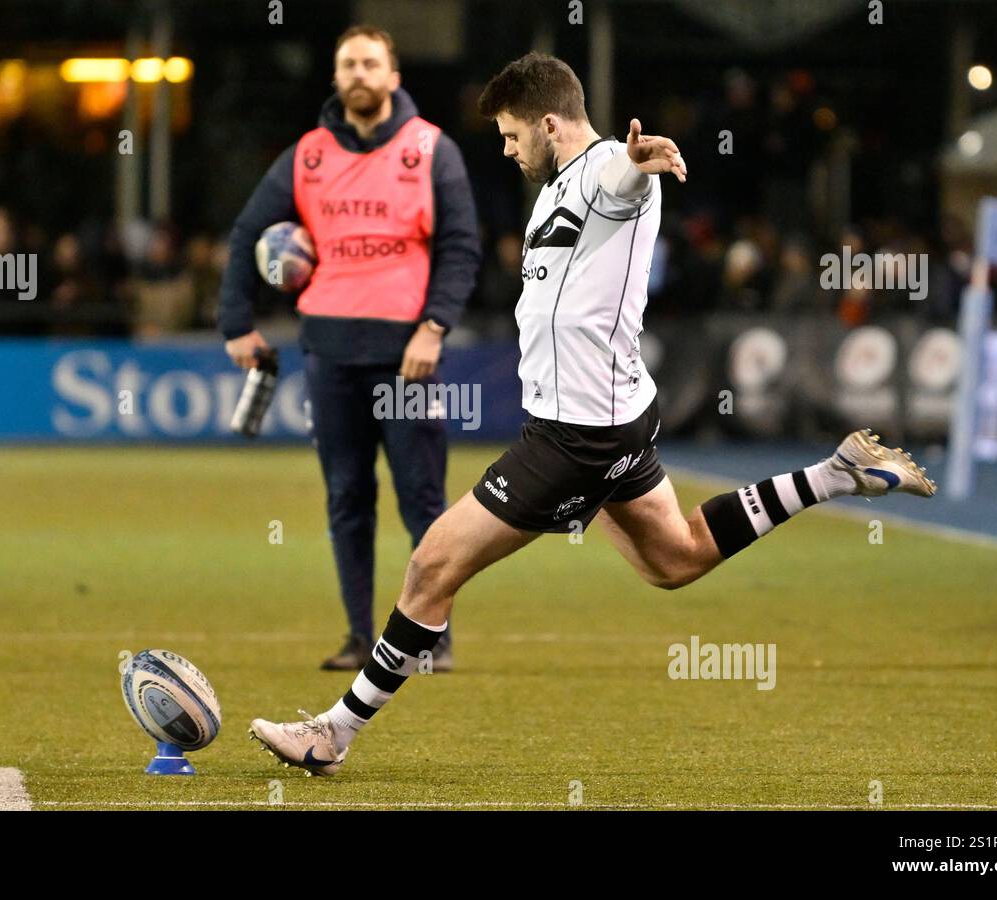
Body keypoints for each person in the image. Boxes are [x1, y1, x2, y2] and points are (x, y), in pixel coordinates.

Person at [247, 52, 935, 775]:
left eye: (513, 135)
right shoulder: (552, 191)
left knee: (431, 565)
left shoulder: (605, 169)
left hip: (579, 436)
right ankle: (835, 473)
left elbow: (622, 180)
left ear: (550, 122)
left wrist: (639, 161)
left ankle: (334, 732)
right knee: (675, 559)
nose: (509, 150)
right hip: (607, 417)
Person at [219, 25, 481, 671]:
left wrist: (434, 327)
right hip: (329, 350)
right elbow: (247, 233)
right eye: (348, 65)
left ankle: (431, 638)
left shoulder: (430, 149)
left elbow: (461, 247)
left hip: (406, 355)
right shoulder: (307, 155)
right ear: (336, 78)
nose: (359, 74)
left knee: (421, 497)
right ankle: (362, 638)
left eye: (370, 63)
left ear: (394, 76)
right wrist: (235, 323)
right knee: (346, 498)